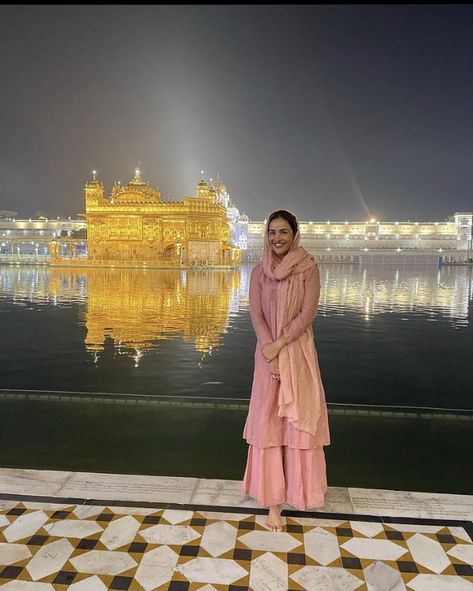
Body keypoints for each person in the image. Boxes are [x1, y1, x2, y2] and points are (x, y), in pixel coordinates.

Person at [242, 209, 330, 532]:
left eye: (283, 232)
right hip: (267, 358)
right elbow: (256, 315)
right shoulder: (258, 273)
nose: (277, 238)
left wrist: (280, 347)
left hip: (297, 354)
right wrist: (270, 350)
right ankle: (274, 505)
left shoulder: (308, 268)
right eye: (272, 232)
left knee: (297, 423)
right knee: (269, 426)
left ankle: (300, 491)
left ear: (294, 235)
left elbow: (307, 314)